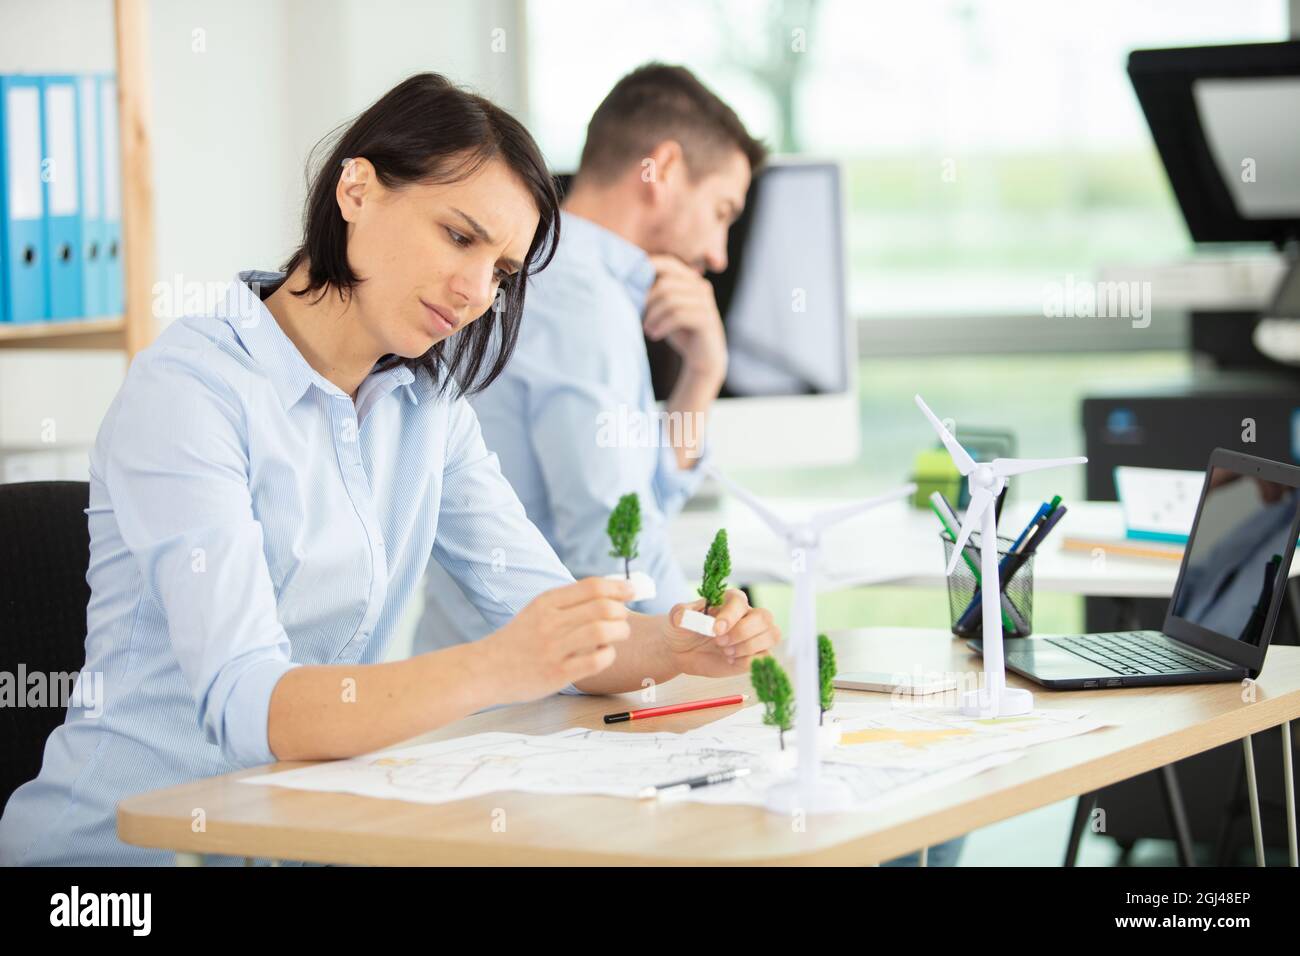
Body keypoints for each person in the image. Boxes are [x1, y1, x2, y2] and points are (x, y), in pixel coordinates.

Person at [0, 73, 778, 866]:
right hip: (115, 864)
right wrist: (498, 664)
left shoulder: (428, 410)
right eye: (459, 237)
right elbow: (246, 702)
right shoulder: (192, 392)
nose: (477, 291)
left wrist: (683, 644)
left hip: (298, 843)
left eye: (503, 272)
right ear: (358, 190)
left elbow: (567, 634)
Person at [417, 62, 762, 652]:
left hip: (507, 682)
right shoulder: (578, 298)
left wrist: (703, 374)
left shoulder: (570, 279)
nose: (718, 252)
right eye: (722, 212)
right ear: (666, 170)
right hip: (523, 708)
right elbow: (612, 546)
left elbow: (637, 506)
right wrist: (712, 643)